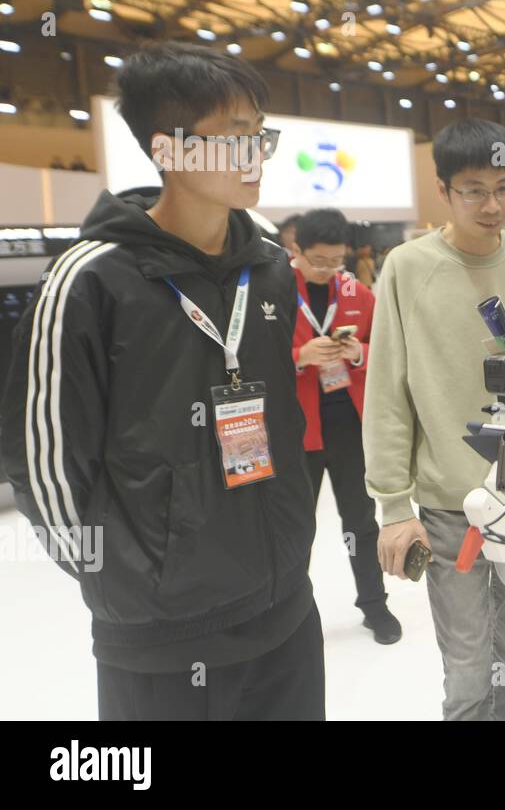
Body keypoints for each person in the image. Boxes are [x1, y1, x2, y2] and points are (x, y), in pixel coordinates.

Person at [0, 42, 324, 720]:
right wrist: (128, 582)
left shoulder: (265, 264)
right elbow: (45, 464)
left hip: (285, 606)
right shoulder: (91, 279)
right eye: (236, 139)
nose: (257, 155)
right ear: (170, 150)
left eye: (261, 136)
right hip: (163, 637)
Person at [363, 118, 505, 720]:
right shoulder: (407, 267)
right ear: (443, 191)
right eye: (474, 190)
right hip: (448, 502)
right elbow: (387, 392)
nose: (492, 205)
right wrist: (393, 508)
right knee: (466, 664)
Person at [290, 208, 400, 643]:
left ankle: (374, 604)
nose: (327, 270)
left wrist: (357, 354)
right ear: (295, 250)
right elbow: (246, 358)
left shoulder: (357, 292)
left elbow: (384, 348)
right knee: (298, 525)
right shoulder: (273, 292)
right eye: (317, 261)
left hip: (351, 426)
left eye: (336, 261)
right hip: (298, 429)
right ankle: (293, 614)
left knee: (361, 519)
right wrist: (299, 357)